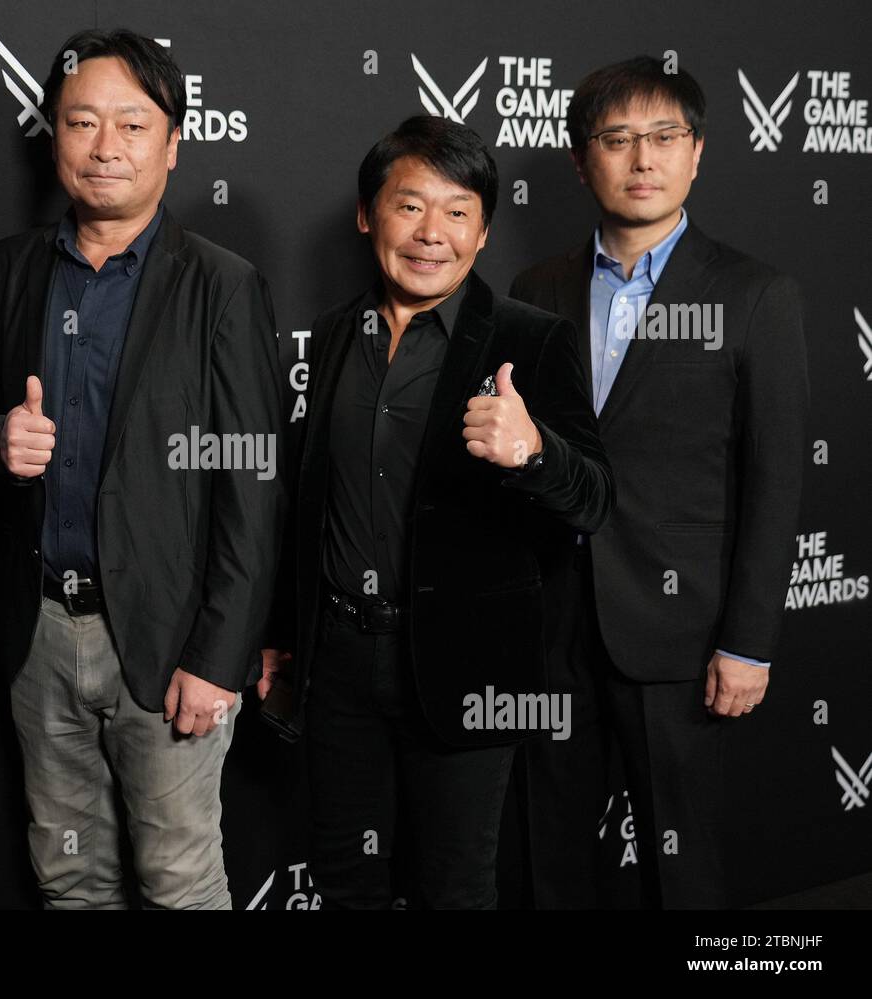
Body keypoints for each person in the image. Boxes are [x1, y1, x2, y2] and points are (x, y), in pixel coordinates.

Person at [0, 28, 283, 909]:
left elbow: (252, 484)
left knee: (178, 880)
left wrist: (219, 656)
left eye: (132, 124)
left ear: (173, 144)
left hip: (170, 641)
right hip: (40, 635)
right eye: (82, 121)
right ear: (53, 136)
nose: (105, 146)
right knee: (69, 880)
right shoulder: (8, 272)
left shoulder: (222, 284)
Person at [259, 115, 613, 909]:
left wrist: (534, 453)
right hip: (339, 661)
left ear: (483, 232)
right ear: (366, 214)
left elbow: (595, 498)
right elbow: (312, 504)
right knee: (347, 880)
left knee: (454, 885)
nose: (431, 233)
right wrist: (286, 633)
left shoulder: (534, 340)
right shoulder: (334, 335)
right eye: (409, 205)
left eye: (457, 213)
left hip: (466, 667)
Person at [508, 56, 809, 908]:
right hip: (553, 627)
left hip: (679, 634)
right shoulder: (537, 290)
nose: (642, 158)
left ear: (698, 153)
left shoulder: (755, 294)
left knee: (683, 870)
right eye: (617, 138)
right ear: (580, 160)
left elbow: (776, 479)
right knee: (550, 857)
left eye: (664, 136)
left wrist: (748, 641)